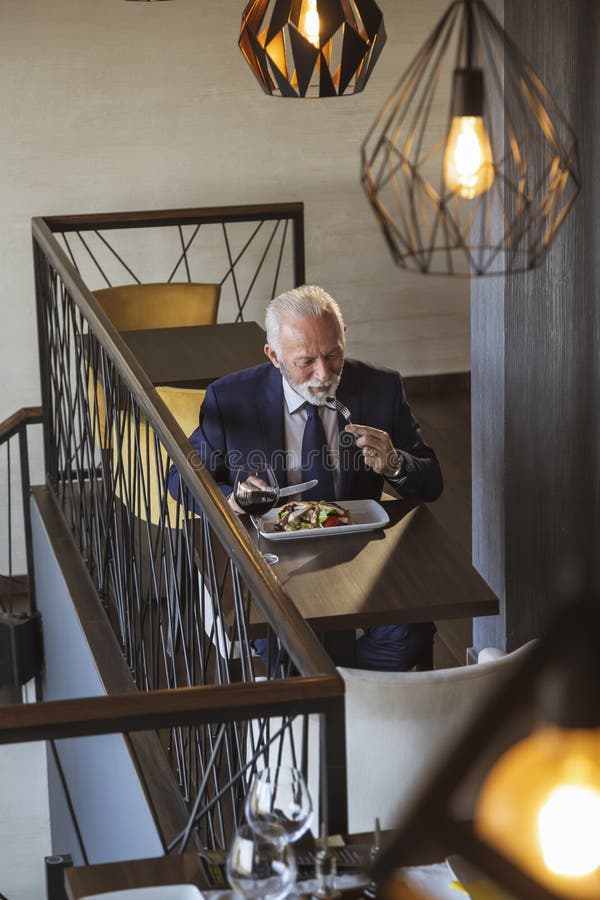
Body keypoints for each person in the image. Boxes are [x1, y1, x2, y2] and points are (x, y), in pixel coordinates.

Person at [168, 285, 443, 670]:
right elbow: (180, 478)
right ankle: (326, 706)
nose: (324, 373)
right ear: (274, 356)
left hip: (358, 554)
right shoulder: (231, 399)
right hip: (271, 559)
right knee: (285, 645)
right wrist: (231, 500)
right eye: (305, 361)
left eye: (333, 355)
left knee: (409, 636)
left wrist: (396, 463)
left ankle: (340, 698)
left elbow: (432, 482)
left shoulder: (381, 388)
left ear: (343, 333)